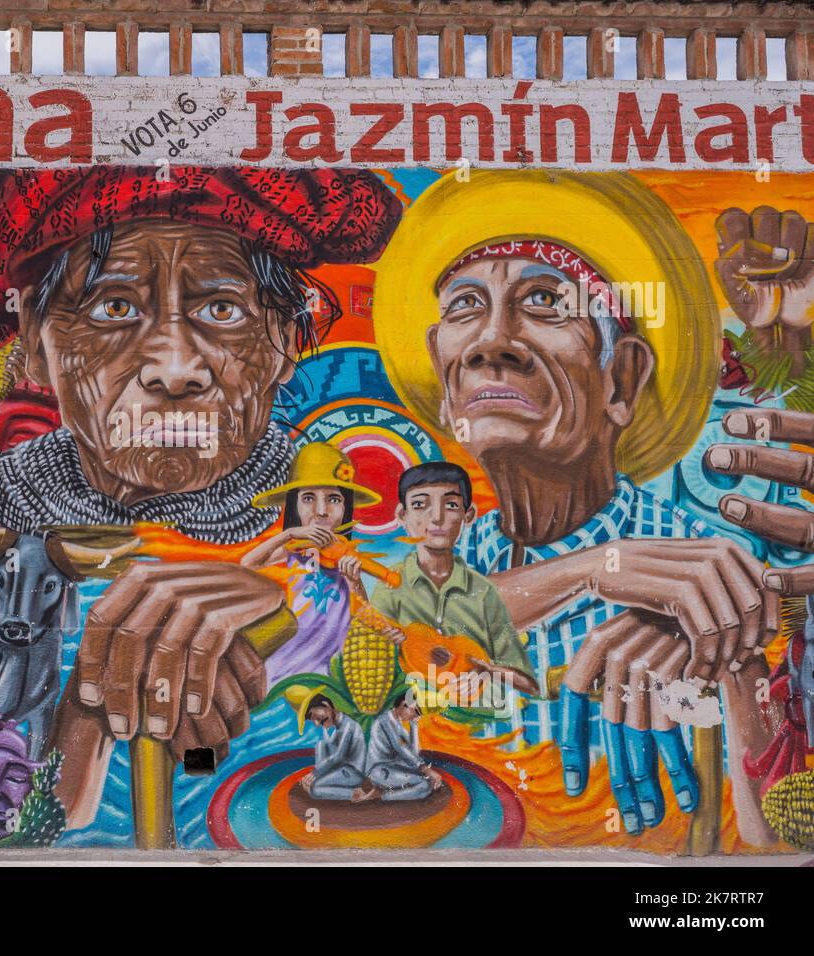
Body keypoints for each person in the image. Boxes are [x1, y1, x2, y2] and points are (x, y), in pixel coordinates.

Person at [0, 165, 404, 826]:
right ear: (36, 344)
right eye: (114, 308)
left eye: (222, 310)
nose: (175, 368)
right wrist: (93, 709)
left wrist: (280, 611)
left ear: (284, 341)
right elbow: (13, 821)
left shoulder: (321, 509)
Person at [372, 170, 776, 839]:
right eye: (465, 307)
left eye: (545, 301)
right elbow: (380, 641)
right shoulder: (442, 555)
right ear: (448, 390)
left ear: (622, 380)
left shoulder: (699, 564)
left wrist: (721, 655)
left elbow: (777, 839)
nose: (489, 342)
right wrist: (590, 571)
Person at [368, 461, 539, 703]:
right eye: (419, 504)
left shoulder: (482, 591)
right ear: (402, 515)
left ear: (468, 515)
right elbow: (369, 673)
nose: (436, 517)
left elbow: (528, 683)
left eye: (450, 505)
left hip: (480, 726)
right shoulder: (390, 586)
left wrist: (487, 671)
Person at [242, 442, 379, 684]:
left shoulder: (349, 555)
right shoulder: (296, 548)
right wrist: (289, 534)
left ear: (347, 507)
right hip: (292, 655)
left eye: (333, 499)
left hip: (336, 661)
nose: (321, 511)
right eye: (308, 498)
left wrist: (354, 581)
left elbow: (365, 618)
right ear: (294, 505)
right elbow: (248, 565)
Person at [353, 697, 443, 803]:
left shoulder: (398, 725)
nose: (415, 714)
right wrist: (427, 770)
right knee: (424, 785)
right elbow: (401, 748)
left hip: (394, 769)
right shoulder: (385, 720)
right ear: (403, 705)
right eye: (414, 710)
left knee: (426, 784)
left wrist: (414, 725)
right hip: (380, 771)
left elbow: (413, 753)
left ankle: (382, 793)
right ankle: (381, 795)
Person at [289, 689, 367, 801]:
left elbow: (339, 755)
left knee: (315, 789)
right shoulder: (337, 727)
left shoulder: (349, 725)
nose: (316, 723)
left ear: (326, 705)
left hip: (352, 772)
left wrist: (316, 773)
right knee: (320, 745)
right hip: (341, 769)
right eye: (313, 721)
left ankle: (353, 794)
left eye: (314, 716)